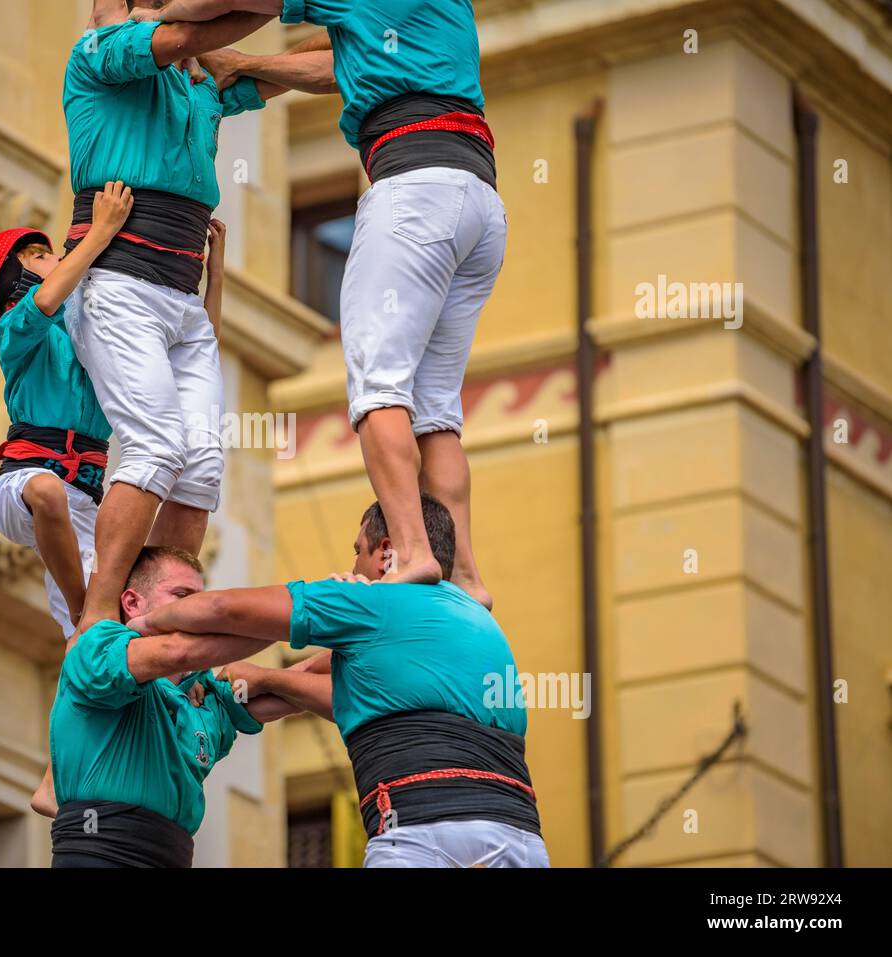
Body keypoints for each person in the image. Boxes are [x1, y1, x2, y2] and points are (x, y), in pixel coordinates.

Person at [131, 0, 506, 609]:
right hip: (479, 195)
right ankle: (466, 575)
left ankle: (412, 553)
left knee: (380, 389)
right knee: (436, 409)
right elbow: (342, 62)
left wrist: (161, 13)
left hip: (411, 183)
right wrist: (244, 66)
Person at [129, 495, 549, 868]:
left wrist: (142, 622)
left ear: (385, 552)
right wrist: (270, 678)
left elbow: (224, 608)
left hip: (421, 830)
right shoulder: (474, 615)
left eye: (357, 553)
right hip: (520, 837)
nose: (352, 568)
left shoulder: (368, 600)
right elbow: (365, 695)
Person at [63, 1, 308, 638]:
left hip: (180, 298)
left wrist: (245, 60)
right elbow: (181, 33)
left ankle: (167, 618)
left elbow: (319, 69)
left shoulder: (199, 83)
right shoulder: (101, 52)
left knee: (199, 467)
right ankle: (95, 614)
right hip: (118, 281)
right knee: (153, 448)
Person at [47, 545, 321, 867]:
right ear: (133, 603)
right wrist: (312, 612)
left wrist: (361, 615)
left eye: (200, 598)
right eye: (182, 595)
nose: (196, 609)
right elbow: (179, 653)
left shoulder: (205, 695)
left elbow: (298, 686)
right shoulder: (99, 649)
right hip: (99, 849)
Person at [0, 182, 132, 635]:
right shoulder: (14, 327)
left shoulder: (89, 332)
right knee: (47, 493)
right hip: (23, 483)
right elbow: (48, 299)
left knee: (97, 638)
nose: (55, 256)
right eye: (40, 255)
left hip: (85, 498)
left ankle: (84, 628)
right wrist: (101, 232)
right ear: (14, 284)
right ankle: (84, 608)